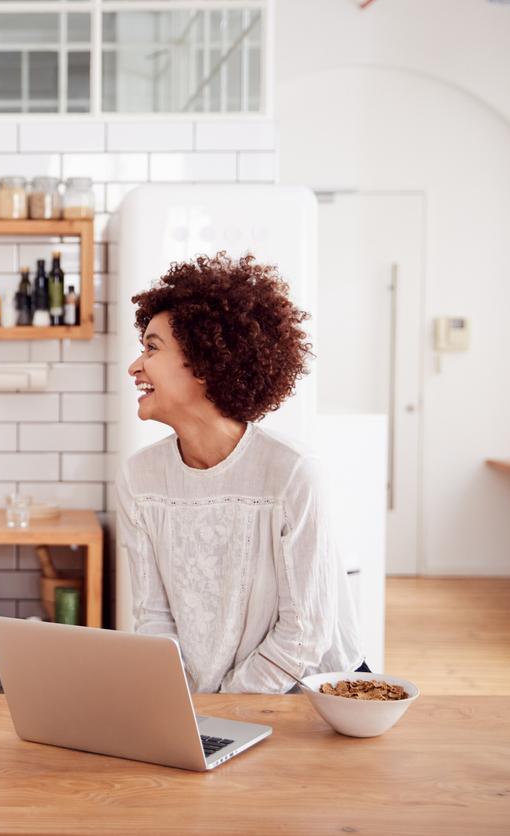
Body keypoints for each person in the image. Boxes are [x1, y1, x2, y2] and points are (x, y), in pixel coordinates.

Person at [118, 252, 364, 694]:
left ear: (207, 365)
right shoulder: (140, 478)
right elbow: (152, 616)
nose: (135, 367)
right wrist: (182, 704)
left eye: (152, 348)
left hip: (309, 697)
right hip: (203, 705)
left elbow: (304, 633)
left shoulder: (292, 474)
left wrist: (228, 708)